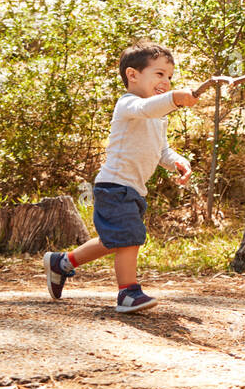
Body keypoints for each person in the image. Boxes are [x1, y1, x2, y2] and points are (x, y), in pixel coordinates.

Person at [44, 41, 202, 313]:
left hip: (134, 189)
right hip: (114, 185)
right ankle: (128, 293)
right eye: (159, 74)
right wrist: (174, 97)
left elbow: (161, 149)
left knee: (113, 240)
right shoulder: (128, 104)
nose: (165, 81)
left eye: (170, 77)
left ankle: (61, 263)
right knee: (129, 237)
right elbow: (146, 109)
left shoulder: (158, 115)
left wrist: (177, 160)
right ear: (132, 75)